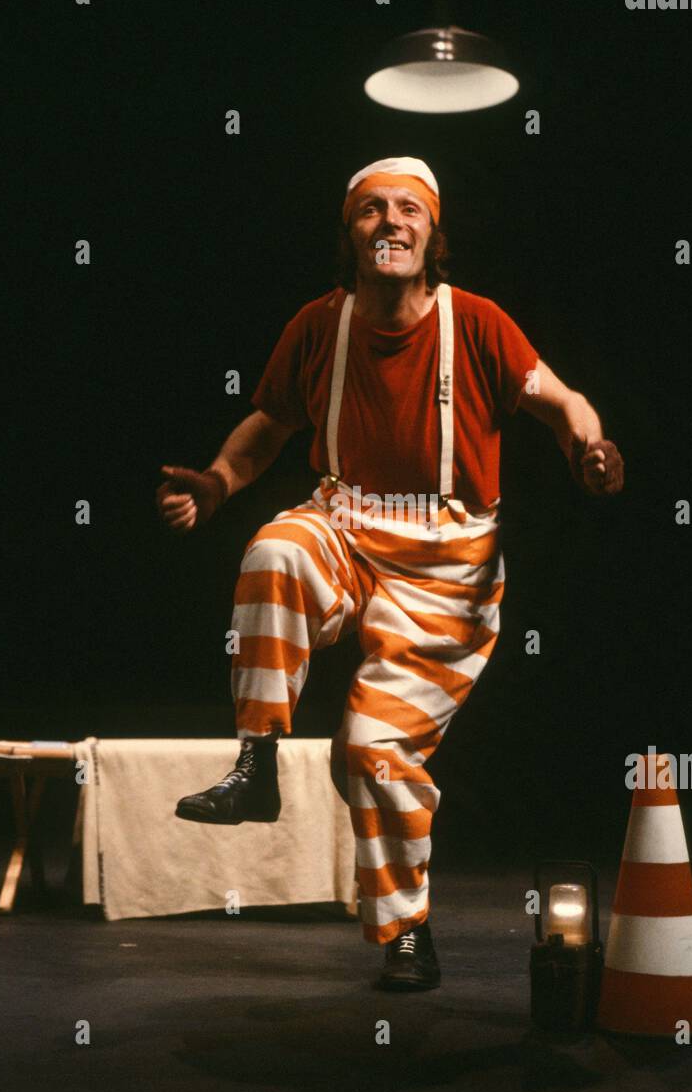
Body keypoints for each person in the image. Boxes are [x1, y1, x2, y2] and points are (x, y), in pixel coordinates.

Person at [155, 156, 624, 991]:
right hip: (344, 520)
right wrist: (216, 482)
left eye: (408, 210)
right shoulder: (318, 325)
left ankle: (407, 930)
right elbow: (265, 427)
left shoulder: (476, 322)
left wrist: (587, 446)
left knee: (370, 755)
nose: (390, 223)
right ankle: (257, 763)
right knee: (274, 550)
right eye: (370, 210)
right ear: (350, 232)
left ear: (431, 233)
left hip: (446, 568)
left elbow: (559, 399)